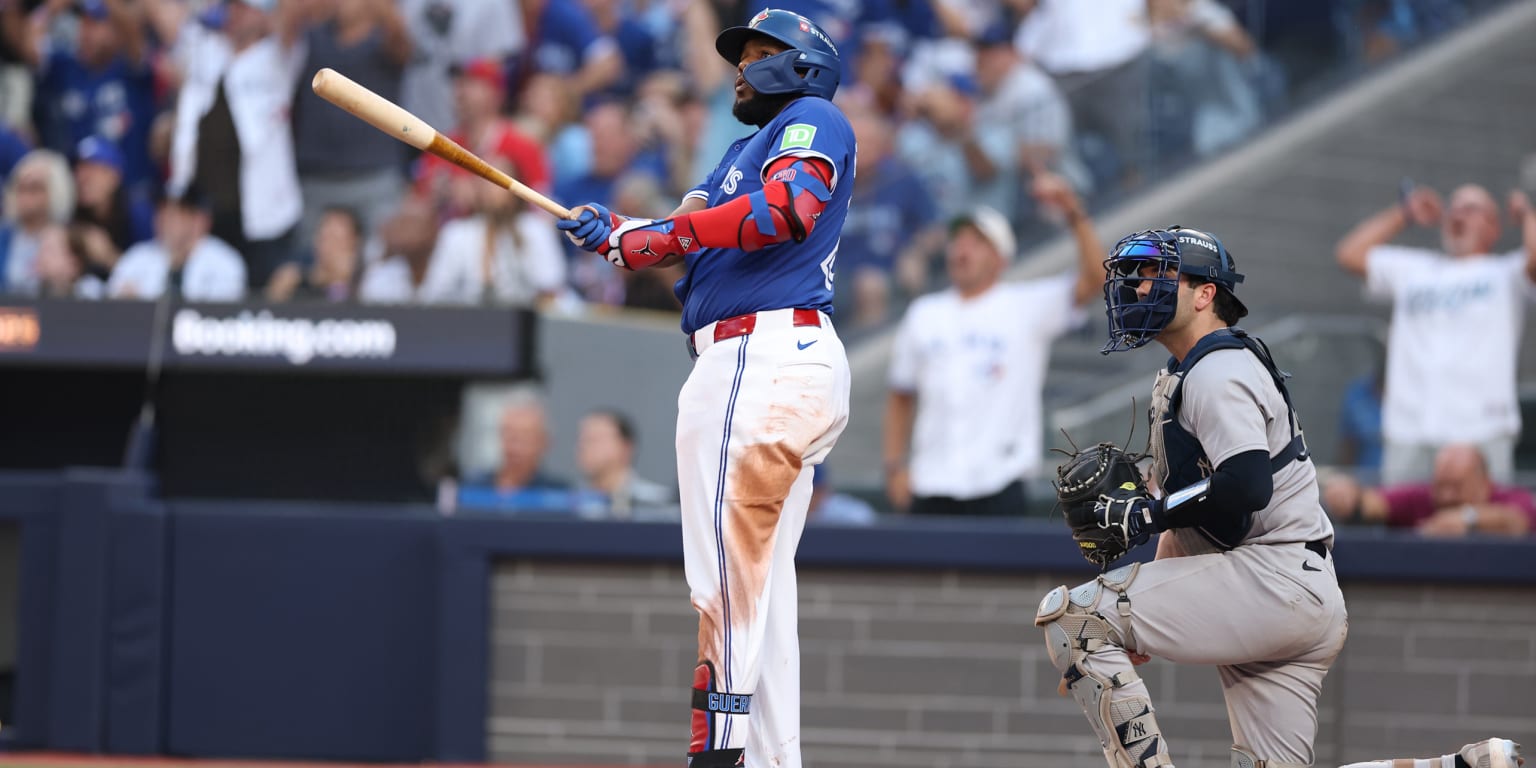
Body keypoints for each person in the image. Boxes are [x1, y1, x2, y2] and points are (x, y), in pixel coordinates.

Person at [1037, 225, 1521, 768]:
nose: (1140, 287)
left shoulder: (1217, 367)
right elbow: (1188, 518)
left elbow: (1244, 485)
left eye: (1158, 274)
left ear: (1205, 294)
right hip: (1295, 590)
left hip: (1272, 578)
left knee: (1072, 617)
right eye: (1138, 276)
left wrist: (1146, 519)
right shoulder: (1184, 373)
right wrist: (1145, 610)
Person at [555, 9, 853, 768]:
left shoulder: (812, 117)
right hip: (759, 357)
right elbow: (687, 225)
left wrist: (665, 235)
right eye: (740, 54)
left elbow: (787, 211)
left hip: (764, 354)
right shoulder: (739, 150)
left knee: (725, 578)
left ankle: (714, 756)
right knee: (762, 592)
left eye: (759, 53)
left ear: (803, 63)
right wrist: (624, 232)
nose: (741, 67)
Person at [884, 172, 1105, 517]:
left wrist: (1072, 211)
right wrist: (894, 467)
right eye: (958, 239)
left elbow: (1095, 279)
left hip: (1000, 480)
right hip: (931, 482)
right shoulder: (924, 313)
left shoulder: (1025, 305)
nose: (962, 248)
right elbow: (900, 393)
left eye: (977, 241)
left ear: (1001, 258)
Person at [1335, 182, 1536, 485]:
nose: (1458, 215)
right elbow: (1349, 254)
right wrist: (1405, 213)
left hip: (1481, 431)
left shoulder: (1506, 272)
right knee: (1403, 527)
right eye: (1452, 209)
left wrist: (1528, 216)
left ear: (1493, 227)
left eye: (1470, 209)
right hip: (1410, 430)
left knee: (1483, 527)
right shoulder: (1417, 269)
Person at [148, 0, 307, 290]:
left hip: (263, 212)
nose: (236, 14)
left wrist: (274, 14)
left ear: (263, 14)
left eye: (245, 8)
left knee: (260, 303)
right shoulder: (203, 46)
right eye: (233, 7)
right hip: (202, 209)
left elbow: (295, 12)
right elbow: (161, 12)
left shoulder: (279, 52)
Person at [418, 156, 566, 307]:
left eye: (499, 182)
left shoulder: (535, 230)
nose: (491, 189)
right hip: (466, 321)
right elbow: (434, 294)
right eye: (486, 181)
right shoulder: (456, 233)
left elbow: (550, 288)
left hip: (524, 321)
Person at [1322, 443, 1535, 537]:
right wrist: (1349, 495)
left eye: (1456, 486)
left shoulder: (1510, 498)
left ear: (1484, 482)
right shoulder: (1421, 497)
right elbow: (1375, 503)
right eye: (1441, 485)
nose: (1446, 495)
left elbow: (1518, 520)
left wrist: (1468, 519)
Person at [107, 188, 245, 301]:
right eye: (160, 211)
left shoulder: (224, 261)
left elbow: (221, 315)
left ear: (199, 221)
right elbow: (111, 302)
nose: (163, 219)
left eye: (174, 214)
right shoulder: (137, 256)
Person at [454, 392, 570, 513]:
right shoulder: (473, 488)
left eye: (524, 437)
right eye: (509, 435)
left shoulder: (560, 495)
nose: (514, 446)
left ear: (544, 442)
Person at [572, 408, 678, 521]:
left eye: (595, 439)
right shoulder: (571, 506)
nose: (583, 446)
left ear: (626, 447)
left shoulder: (661, 507)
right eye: (582, 439)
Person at [0, 148, 74, 295]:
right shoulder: (3, 236)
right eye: (21, 188)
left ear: (56, 191)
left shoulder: (71, 238)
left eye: (35, 188)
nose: (26, 197)